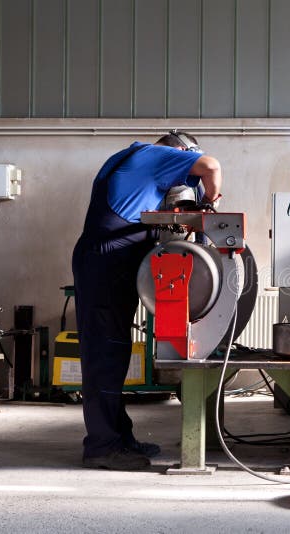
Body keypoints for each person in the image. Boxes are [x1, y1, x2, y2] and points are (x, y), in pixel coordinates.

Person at [72, 131, 222, 470]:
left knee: (115, 350)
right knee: (104, 355)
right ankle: (102, 446)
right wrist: (211, 201)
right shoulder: (154, 156)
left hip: (109, 262)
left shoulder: (132, 159)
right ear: (182, 152)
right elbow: (211, 167)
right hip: (105, 264)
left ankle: (119, 437)